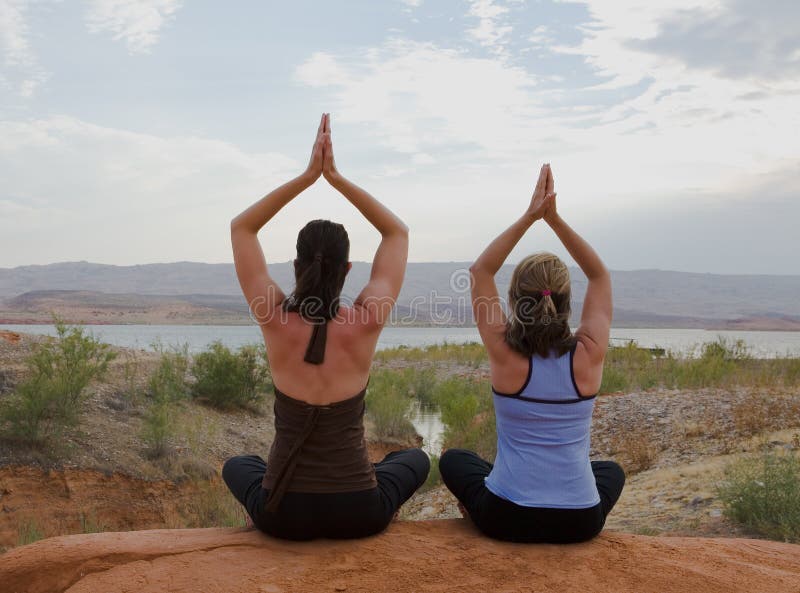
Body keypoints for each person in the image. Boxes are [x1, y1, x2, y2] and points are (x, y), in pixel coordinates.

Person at [222, 113, 429, 541]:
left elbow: (241, 227)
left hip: (281, 515)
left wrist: (307, 177)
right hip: (359, 512)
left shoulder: (274, 317)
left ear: (296, 266)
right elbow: (397, 233)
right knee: (414, 461)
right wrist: (335, 178)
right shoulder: (366, 320)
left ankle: (258, 510)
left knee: (238, 466)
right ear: (349, 268)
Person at [439, 163, 625, 543]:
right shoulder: (588, 355)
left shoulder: (505, 352)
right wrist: (554, 220)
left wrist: (530, 216)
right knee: (610, 472)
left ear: (514, 299)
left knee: (454, 459)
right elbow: (600, 276)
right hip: (580, 522)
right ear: (566, 300)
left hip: (506, 518)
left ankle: (489, 495)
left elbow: (480, 271)